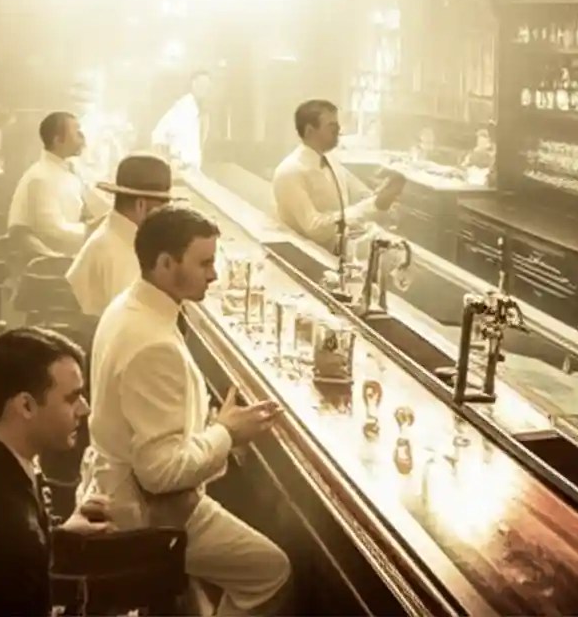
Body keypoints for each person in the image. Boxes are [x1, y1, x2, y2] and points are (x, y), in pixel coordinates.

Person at [80, 204, 290, 615]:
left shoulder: (129, 303)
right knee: (271, 573)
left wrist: (211, 426)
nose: (214, 274)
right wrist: (226, 433)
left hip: (112, 485)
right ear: (164, 263)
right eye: (204, 263)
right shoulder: (154, 343)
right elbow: (159, 474)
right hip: (144, 514)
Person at [0, 327, 113, 617]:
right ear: (26, 406)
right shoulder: (7, 523)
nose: (85, 409)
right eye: (72, 398)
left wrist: (59, 536)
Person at [272, 99, 405, 254]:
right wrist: (374, 204)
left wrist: (381, 195)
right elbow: (315, 228)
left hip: (339, 256)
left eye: (338, 125)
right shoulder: (290, 172)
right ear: (309, 131)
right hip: (308, 261)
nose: (339, 130)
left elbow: (360, 194)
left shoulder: (331, 161)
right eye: (332, 126)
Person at [66, 153, 174, 317]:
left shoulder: (115, 235)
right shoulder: (121, 255)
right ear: (141, 205)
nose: (167, 214)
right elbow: (135, 322)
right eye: (163, 206)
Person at [7, 112, 89, 254]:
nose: (83, 139)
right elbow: (53, 230)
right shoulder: (40, 177)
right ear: (58, 141)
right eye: (77, 133)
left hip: (68, 257)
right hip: (46, 265)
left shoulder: (70, 173)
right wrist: (91, 231)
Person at [151, 69, 211, 170]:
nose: (204, 88)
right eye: (201, 84)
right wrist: (170, 158)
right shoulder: (181, 107)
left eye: (206, 85)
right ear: (193, 84)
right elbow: (158, 134)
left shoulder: (202, 110)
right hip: (181, 167)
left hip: (194, 168)